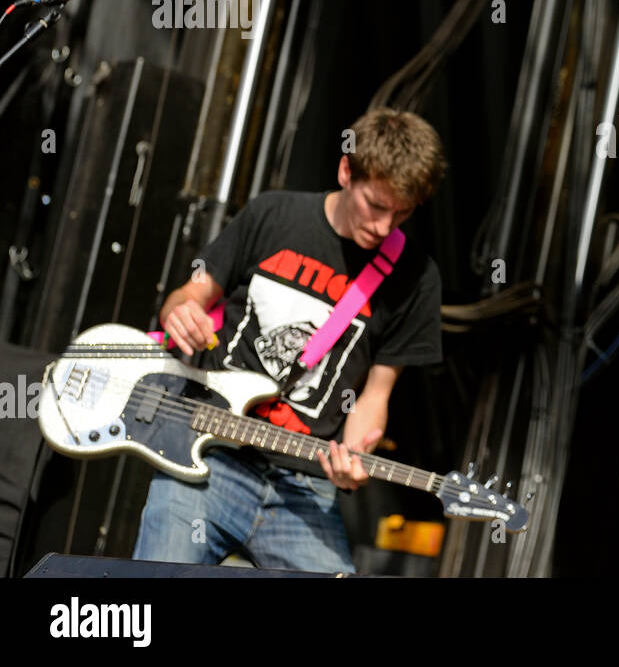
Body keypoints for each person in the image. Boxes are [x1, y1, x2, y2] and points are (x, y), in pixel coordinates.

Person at [131, 108, 448, 573]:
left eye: (402, 213)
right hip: (210, 454)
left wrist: (356, 459)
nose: (384, 226)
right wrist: (181, 312)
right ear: (346, 170)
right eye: (376, 206)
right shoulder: (273, 214)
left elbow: (376, 395)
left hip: (305, 489)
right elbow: (190, 294)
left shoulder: (417, 278)